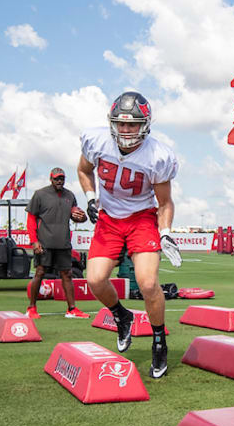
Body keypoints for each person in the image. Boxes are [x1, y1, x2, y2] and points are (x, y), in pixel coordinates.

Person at [77, 91, 182, 379]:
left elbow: (165, 202)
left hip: (141, 219)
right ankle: (122, 315)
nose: (126, 130)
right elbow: (84, 170)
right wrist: (90, 198)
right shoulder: (96, 140)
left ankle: (159, 341)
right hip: (109, 219)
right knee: (95, 280)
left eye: (132, 124)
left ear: (145, 124)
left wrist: (166, 232)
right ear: (112, 123)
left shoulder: (158, 156)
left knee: (148, 283)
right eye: (121, 124)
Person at [25, 167, 89, 319]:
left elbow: (76, 215)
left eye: (62, 178)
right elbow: (31, 219)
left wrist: (82, 217)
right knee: (40, 273)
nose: (59, 181)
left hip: (64, 242)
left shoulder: (70, 195)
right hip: (44, 242)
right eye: (56, 178)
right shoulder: (40, 194)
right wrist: (34, 242)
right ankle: (31, 308)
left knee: (67, 274)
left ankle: (72, 309)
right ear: (51, 179)